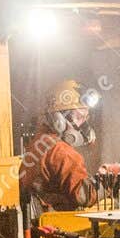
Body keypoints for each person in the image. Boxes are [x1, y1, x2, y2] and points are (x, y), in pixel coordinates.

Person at [19, 79, 99, 213]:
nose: (83, 126)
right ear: (59, 120)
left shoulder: (40, 142)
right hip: (57, 226)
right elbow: (85, 195)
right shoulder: (61, 151)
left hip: (39, 225)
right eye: (79, 117)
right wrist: (111, 176)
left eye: (86, 118)